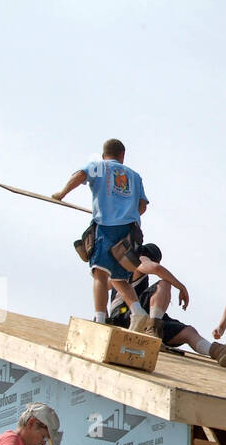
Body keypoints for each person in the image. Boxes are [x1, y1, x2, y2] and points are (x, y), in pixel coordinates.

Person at [52, 138, 155, 335]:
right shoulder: (135, 176)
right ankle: (137, 311)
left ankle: (99, 319)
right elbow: (142, 206)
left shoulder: (98, 166)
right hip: (130, 231)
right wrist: (126, 212)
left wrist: (61, 194)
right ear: (122, 155)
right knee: (118, 276)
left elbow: (79, 175)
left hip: (107, 226)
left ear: (103, 154)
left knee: (99, 272)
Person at [106, 243, 226, 366]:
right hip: (126, 316)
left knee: (188, 332)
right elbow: (156, 268)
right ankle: (153, 330)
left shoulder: (123, 275)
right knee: (164, 282)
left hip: (141, 318)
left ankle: (217, 351)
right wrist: (181, 286)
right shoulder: (138, 261)